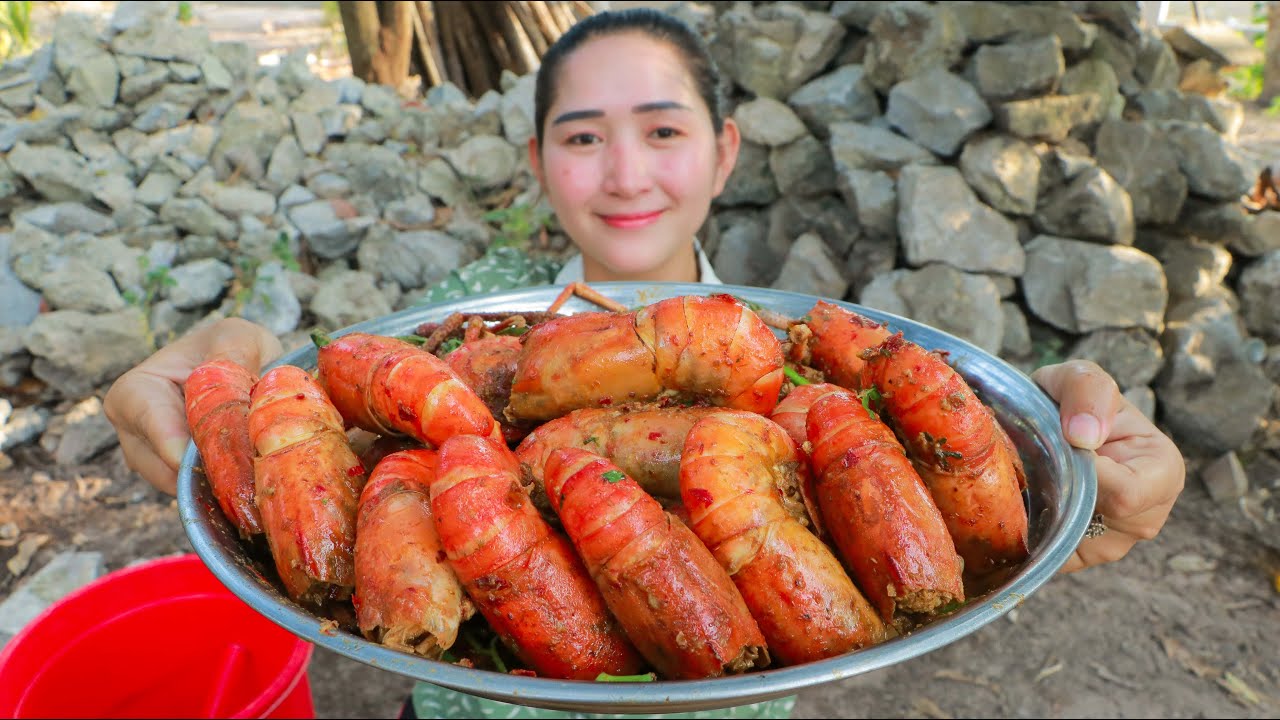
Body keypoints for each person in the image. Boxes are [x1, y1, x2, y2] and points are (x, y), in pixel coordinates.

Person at [103, 7, 1185, 719]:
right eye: (582, 137)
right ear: (536, 161)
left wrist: (1056, 460)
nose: (624, 173)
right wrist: (234, 361)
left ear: (725, 150)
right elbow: (317, 376)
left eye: (663, 131)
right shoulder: (462, 313)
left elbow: (962, 444)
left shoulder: (802, 344)